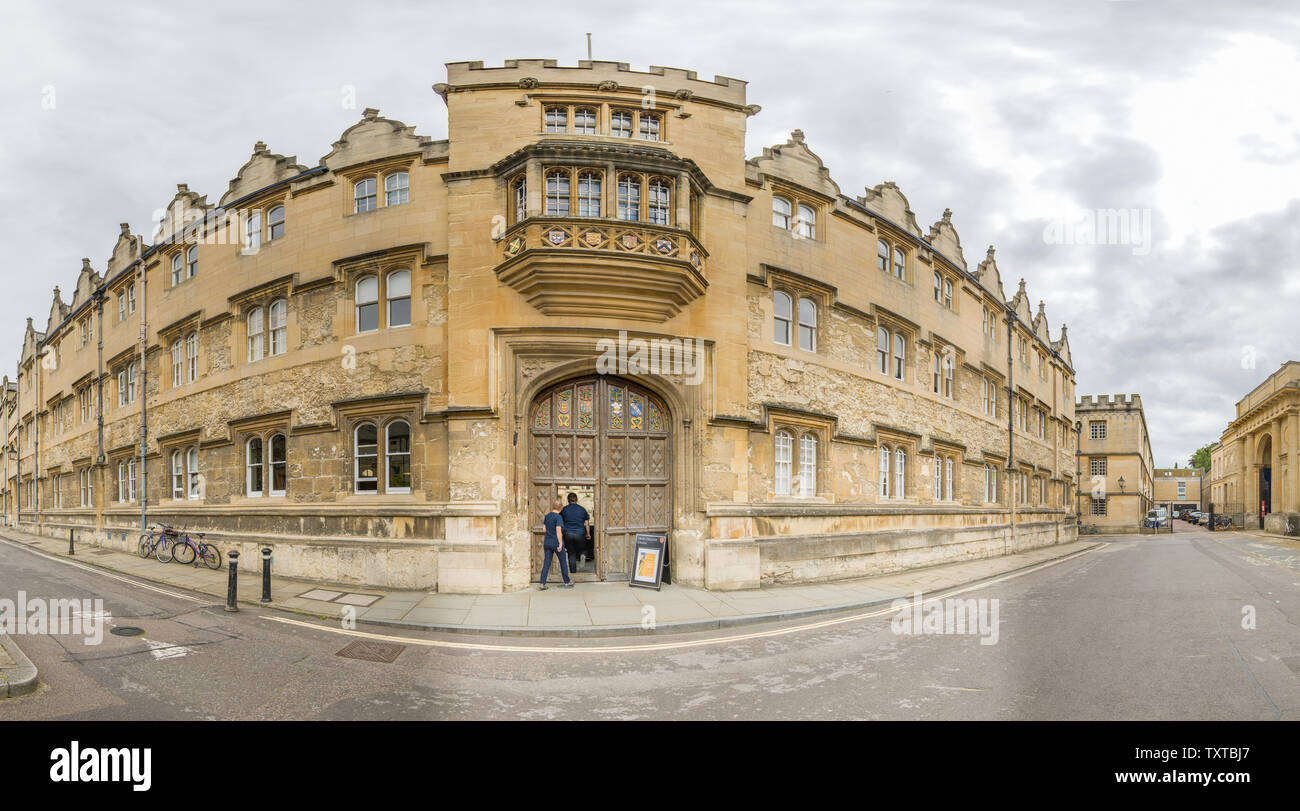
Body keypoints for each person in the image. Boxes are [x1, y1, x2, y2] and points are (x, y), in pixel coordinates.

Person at [539, 498, 573, 590]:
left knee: (546, 563)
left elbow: (544, 529)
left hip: (547, 542)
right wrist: (560, 544)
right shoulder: (558, 517)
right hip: (556, 543)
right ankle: (567, 581)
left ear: (553, 506)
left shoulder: (547, 516)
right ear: (561, 508)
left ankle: (542, 583)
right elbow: (559, 531)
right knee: (563, 562)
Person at [560, 492, 592, 572]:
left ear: (568, 500)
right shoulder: (582, 509)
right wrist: (588, 533)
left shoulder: (564, 509)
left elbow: (560, 522)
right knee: (583, 549)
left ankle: (573, 573)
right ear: (576, 500)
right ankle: (583, 555)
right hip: (580, 533)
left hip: (568, 533)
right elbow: (587, 523)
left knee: (571, 553)